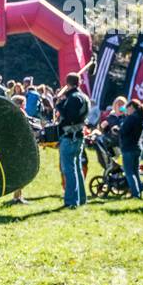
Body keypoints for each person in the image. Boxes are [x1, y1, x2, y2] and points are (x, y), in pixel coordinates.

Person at [55, 72, 90, 208]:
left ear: (67, 83)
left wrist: (59, 104)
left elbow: (70, 117)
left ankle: (71, 201)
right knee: (76, 168)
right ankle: (81, 199)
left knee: (69, 170)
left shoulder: (74, 98)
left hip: (70, 136)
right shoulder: (84, 97)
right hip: (79, 136)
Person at [117, 99, 143, 197]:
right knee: (135, 172)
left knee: (129, 172)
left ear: (131, 108)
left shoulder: (131, 118)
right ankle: (140, 188)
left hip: (128, 148)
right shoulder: (140, 118)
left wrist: (117, 130)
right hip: (137, 147)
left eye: (127, 108)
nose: (126, 110)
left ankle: (135, 193)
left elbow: (123, 131)